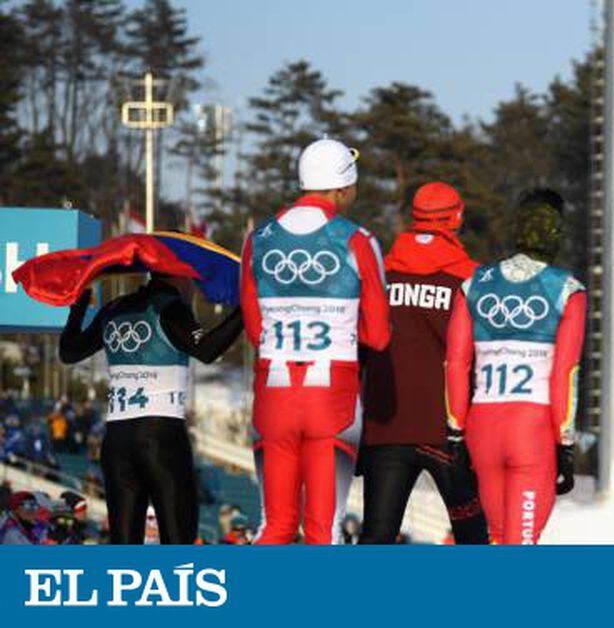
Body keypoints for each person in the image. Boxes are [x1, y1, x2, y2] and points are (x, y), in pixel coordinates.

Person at [241, 137, 390, 545]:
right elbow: (379, 336)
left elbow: (255, 331)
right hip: (332, 396)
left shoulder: (258, 239)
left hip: (273, 392)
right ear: (343, 185)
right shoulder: (358, 239)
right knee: (325, 531)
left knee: (274, 525)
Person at [445, 189, 585, 545]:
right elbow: (565, 374)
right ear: (555, 235)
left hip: (482, 427)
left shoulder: (473, 284)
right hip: (531, 430)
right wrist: (565, 443)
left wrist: (456, 433)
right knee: (522, 543)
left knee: (496, 538)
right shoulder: (568, 289)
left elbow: (456, 363)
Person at [58, 276, 243, 544]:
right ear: (178, 276)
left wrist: (79, 306)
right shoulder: (170, 307)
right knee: (178, 545)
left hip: (117, 440)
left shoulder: (114, 308)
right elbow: (207, 350)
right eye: (191, 281)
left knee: (124, 547)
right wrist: (244, 310)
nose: (193, 287)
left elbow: (69, 351)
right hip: (160, 437)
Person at [359, 182, 488, 545]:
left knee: (375, 538)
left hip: (387, 426)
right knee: (474, 540)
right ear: (456, 218)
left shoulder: (379, 272)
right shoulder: (472, 279)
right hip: (450, 433)